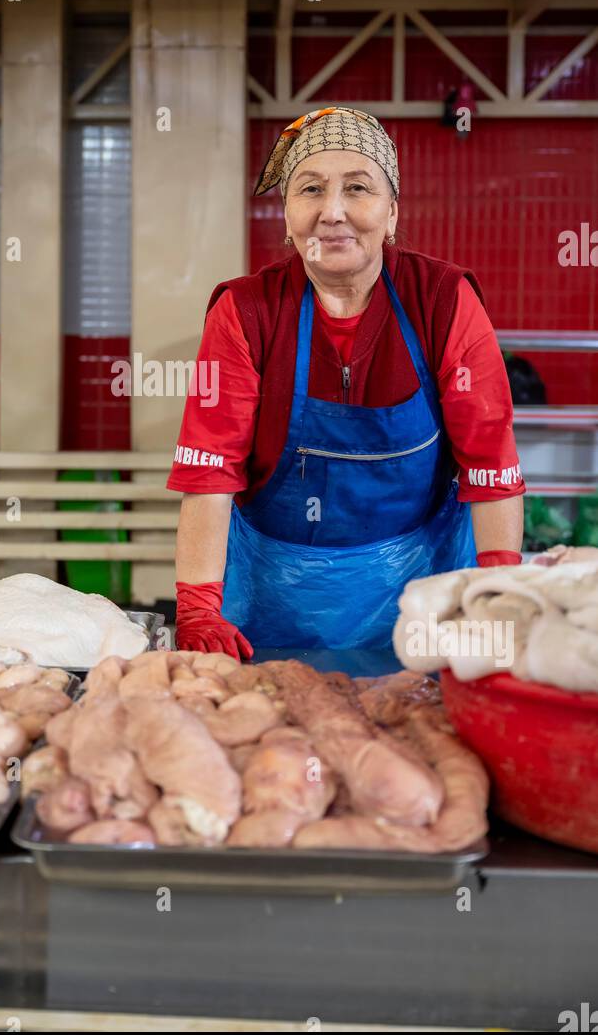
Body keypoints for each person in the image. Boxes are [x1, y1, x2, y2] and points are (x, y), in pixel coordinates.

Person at [168, 106, 525, 658]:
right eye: (310, 189)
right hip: (270, 606)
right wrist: (195, 605)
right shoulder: (245, 310)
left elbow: (490, 464)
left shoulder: (444, 300)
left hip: (422, 607)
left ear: (391, 213)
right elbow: (211, 474)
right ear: (286, 217)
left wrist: (498, 596)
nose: (332, 213)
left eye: (358, 188)